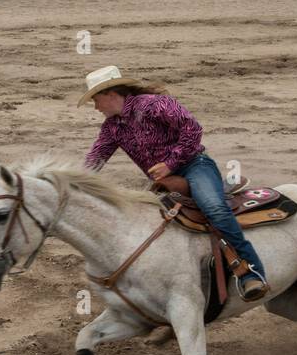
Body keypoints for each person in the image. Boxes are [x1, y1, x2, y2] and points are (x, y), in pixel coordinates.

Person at [78, 64, 269, 301]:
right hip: (164, 181)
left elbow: (192, 129)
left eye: (96, 100)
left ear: (110, 94)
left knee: (214, 208)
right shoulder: (112, 127)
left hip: (194, 166)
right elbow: (97, 157)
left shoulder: (153, 104)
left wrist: (169, 162)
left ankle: (251, 271)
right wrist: (76, 183)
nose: (95, 107)